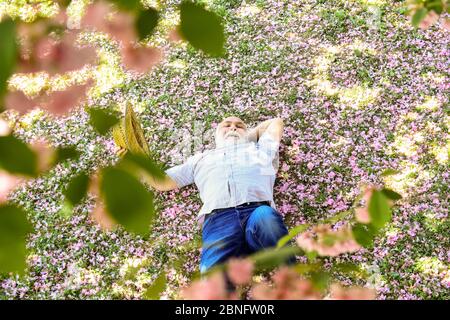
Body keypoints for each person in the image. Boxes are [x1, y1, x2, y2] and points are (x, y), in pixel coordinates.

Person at [142, 116, 292, 275]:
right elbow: (161, 182)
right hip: (219, 220)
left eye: (239, 126)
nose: (233, 127)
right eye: (226, 125)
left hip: (257, 212)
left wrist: (245, 137)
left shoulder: (259, 149)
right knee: (213, 279)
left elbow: (276, 122)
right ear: (216, 134)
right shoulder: (199, 159)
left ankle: (294, 279)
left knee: (266, 216)